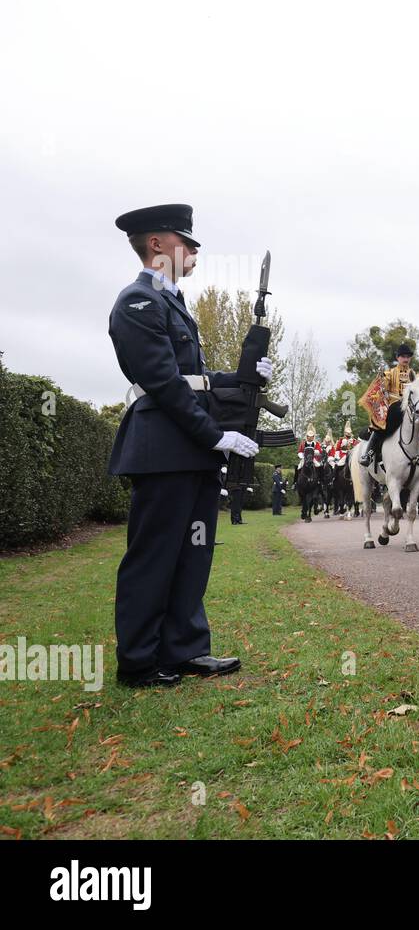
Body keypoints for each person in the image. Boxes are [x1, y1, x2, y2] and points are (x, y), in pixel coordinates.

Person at [108, 204, 266, 688]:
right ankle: (138, 660)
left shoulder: (170, 301)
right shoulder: (138, 302)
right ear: (156, 245)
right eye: (184, 240)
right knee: (155, 554)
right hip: (163, 449)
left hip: (189, 451)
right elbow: (164, 384)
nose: (194, 249)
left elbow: (193, 380)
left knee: (193, 552)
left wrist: (240, 377)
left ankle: (185, 649)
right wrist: (216, 435)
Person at [358, 343, 415, 467]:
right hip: (394, 406)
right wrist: (381, 380)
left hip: (412, 407)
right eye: (403, 356)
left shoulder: (414, 375)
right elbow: (380, 387)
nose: (406, 359)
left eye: (408, 357)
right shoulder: (390, 373)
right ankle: (369, 452)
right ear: (398, 358)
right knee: (382, 423)